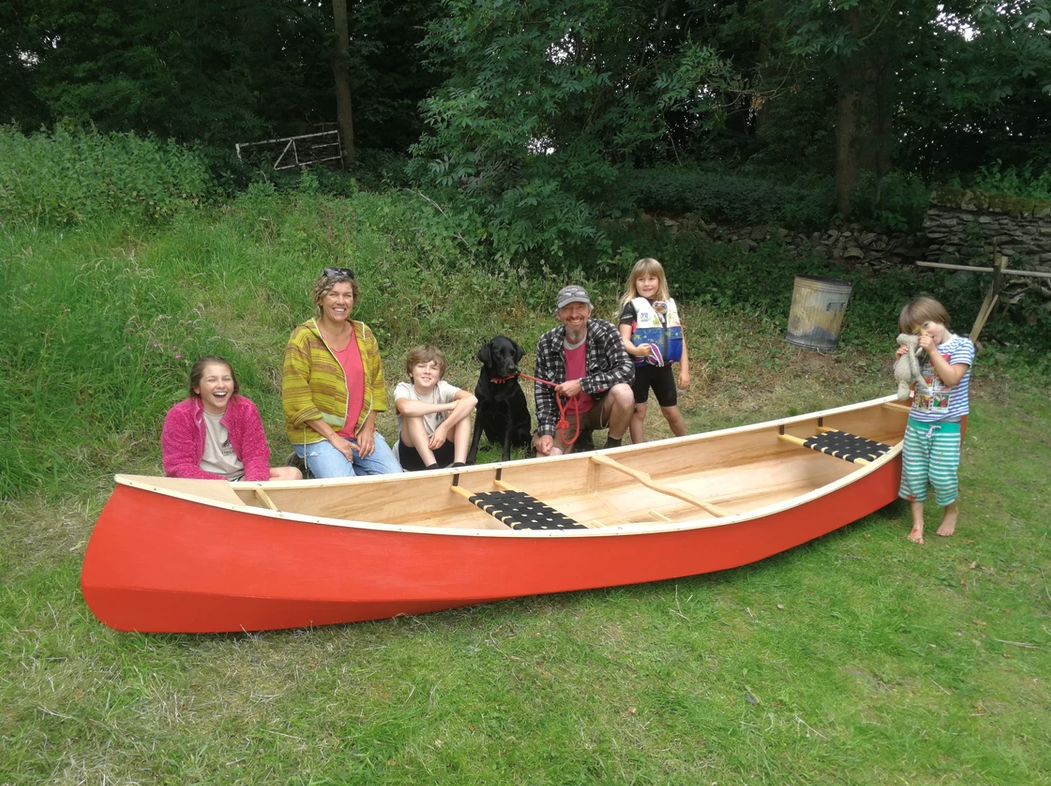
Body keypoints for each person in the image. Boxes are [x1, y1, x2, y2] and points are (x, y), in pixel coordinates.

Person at [282, 267, 401, 477]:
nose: (341, 301)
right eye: (333, 295)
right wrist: (334, 438)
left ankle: (336, 468)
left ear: (354, 301)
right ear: (320, 299)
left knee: (395, 479)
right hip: (317, 435)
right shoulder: (303, 338)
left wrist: (368, 429)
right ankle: (312, 462)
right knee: (346, 488)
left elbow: (376, 385)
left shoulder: (364, 334)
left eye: (347, 295)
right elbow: (297, 400)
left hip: (358, 432)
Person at [896, 296, 974, 544]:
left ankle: (951, 510)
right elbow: (909, 382)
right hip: (917, 423)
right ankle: (918, 524)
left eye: (926, 325)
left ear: (940, 318)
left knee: (942, 475)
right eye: (915, 333)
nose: (924, 335)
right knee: (914, 474)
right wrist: (903, 360)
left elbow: (951, 378)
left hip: (947, 426)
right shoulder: (919, 350)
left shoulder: (963, 346)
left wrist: (932, 350)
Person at [162, 356, 302, 481]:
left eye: (226, 379)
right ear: (197, 388)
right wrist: (221, 486)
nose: (221, 385)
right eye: (212, 380)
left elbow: (256, 455)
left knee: (293, 474)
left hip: (240, 481)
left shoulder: (246, 408)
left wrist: (251, 485)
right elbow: (178, 465)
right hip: (202, 483)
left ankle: (243, 501)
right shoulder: (180, 414)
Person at [533, 285, 635, 456]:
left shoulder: (607, 331)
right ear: (558, 315)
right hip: (566, 416)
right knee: (547, 458)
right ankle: (579, 437)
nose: (574, 315)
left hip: (599, 408)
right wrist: (546, 432)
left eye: (580, 307)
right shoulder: (546, 342)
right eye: (567, 309)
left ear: (589, 311)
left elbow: (627, 371)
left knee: (624, 392)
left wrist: (582, 384)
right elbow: (542, 393)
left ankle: (613, 447)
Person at [617, 257, 690, 443]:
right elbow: (623, 340)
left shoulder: (669, 305)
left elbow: (679, 338)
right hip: (639, 368)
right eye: (641, 279)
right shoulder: (631, 306)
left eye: (651, 279)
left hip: (663, 368)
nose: (646, 284)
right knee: (639, 411)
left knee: (671, 411)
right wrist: (637, 351)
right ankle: (639, 451)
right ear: (634, 282)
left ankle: (689, 444)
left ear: (660, 280)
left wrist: (684, 370)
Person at [393, 345, 478, 471]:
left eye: (433, 368)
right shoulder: (404, 388)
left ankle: (459, 466)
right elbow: (405, 408)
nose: (427, 371)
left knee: (463, 413)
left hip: (440, 448)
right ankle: (432, 468)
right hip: (412, 455)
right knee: (413, 413)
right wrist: (449, 406)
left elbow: (472, 399)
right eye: (421, 366)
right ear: (411, 372)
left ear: (439, 375)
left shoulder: (442, 387)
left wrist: (444, 428)